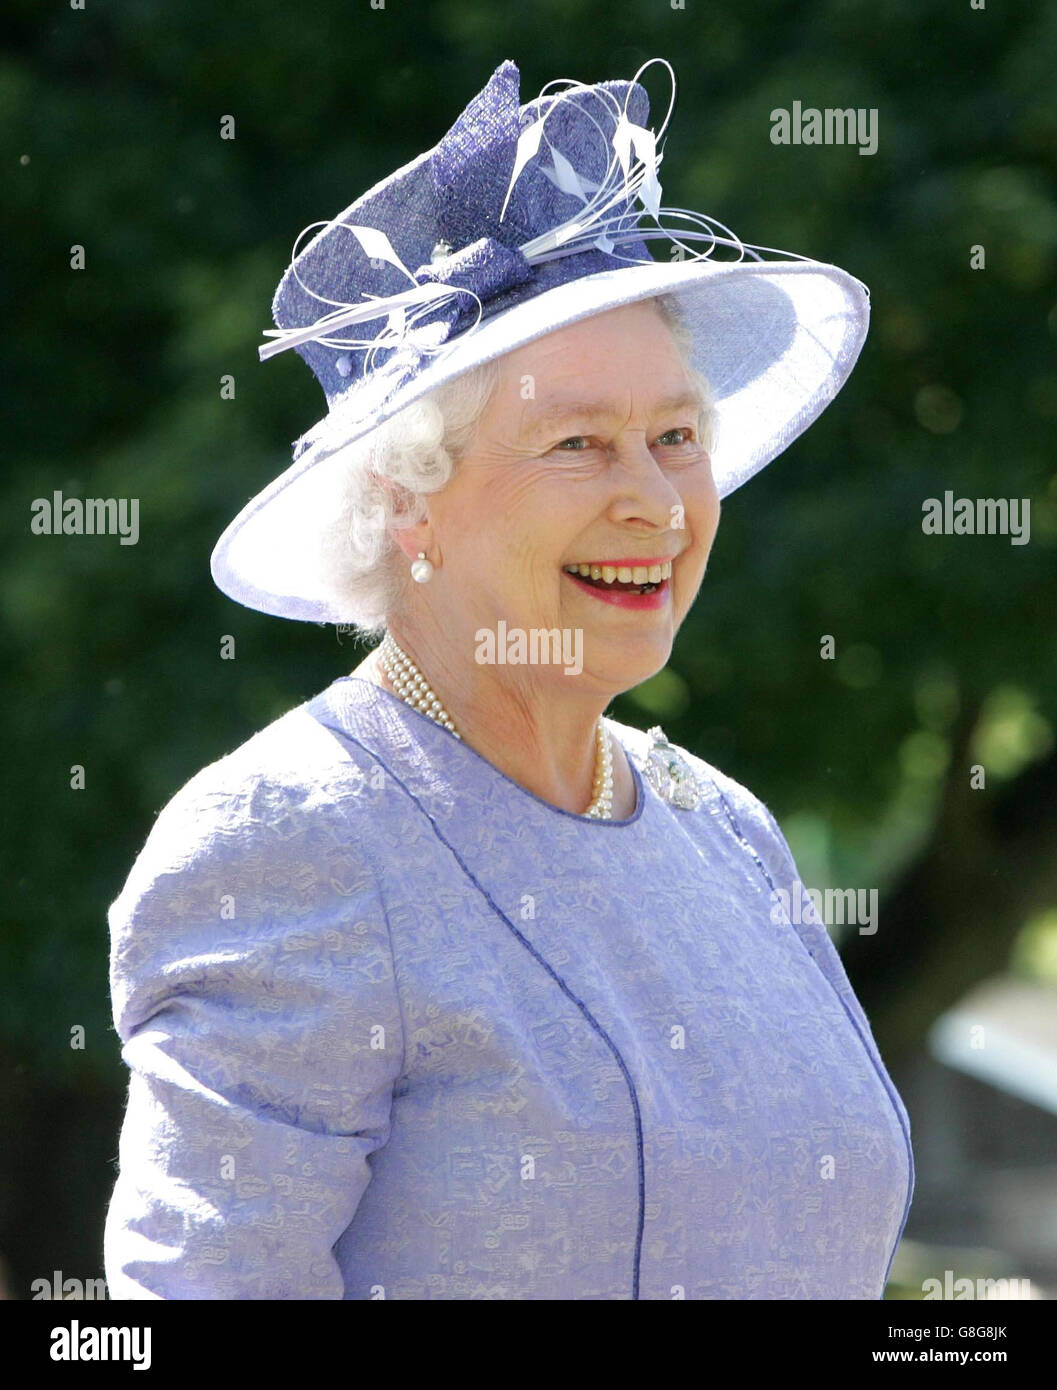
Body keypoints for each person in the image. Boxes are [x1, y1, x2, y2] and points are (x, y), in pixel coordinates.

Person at [103, 57, 913, 1299]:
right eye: (576, 443)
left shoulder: (727, 829)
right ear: (406, 502)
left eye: (675, 437)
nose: (651, 499)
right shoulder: (290, 844)